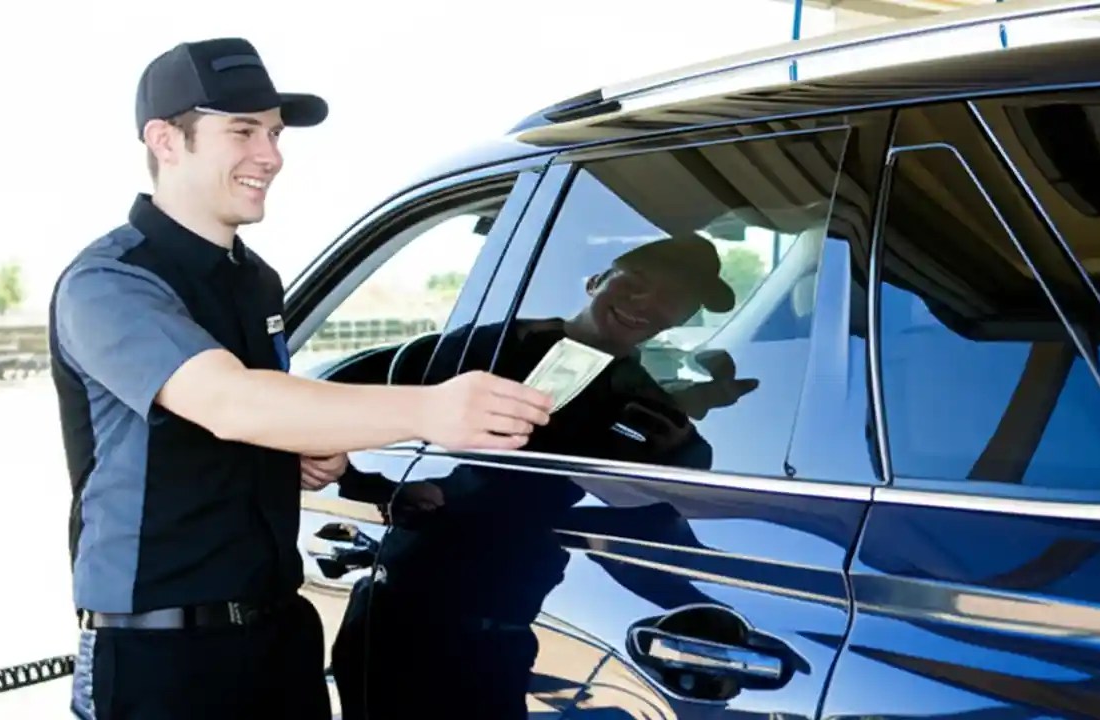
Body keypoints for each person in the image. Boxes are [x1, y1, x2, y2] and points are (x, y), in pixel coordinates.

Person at [49, 37, 552, 719]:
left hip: (276, 636)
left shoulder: (256, 282)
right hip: (161, 657)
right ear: (166, 140)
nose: (271, 155)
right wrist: (429, 409)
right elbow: (228, 402)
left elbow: (268, 413)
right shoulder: (111, 283)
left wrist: (309, 449)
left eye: (276, 133)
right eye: (243, 131)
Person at [330, 234, 758, 718]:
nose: (648, 305)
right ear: (596, 281)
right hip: (401, 615)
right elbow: (375, 428)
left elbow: (685, 496)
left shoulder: (646, 404)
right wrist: (388, 489)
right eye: (637, 283)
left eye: (674, 300)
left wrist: (680, 446)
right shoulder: (487, 345)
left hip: (509, 632)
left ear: (679, 321)